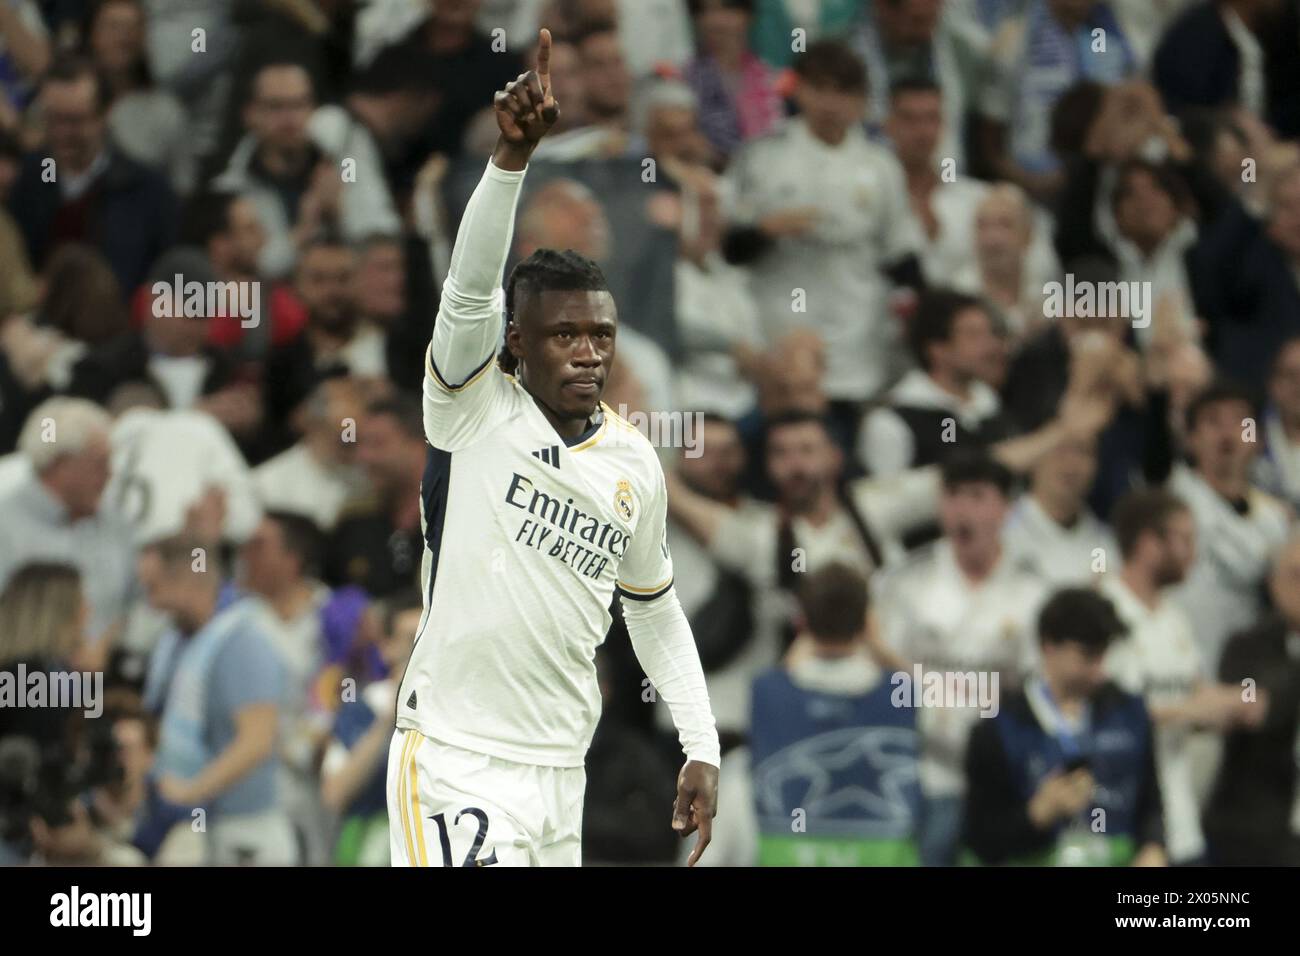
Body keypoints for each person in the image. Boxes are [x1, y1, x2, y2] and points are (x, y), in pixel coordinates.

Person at [386, 30, 719, 868]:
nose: (588, 351)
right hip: (457, 757)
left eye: (599, 334)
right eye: (563, 333)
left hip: (559, 774)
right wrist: (509, 159)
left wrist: (702, 742)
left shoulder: (634, 463)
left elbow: (653, 609)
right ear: (516, 344)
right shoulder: (471, 408)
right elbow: (466, 291)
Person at [874, 452, 1049, 865]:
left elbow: (1036, 689)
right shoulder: (907, 581)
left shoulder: (1032, 591)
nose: (962, 510)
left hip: (998, 776)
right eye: (953, 495)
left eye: (977, 496)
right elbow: (883, 673)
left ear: (1007, 509)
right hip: (920, 768)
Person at [1102, 488, 1260, 864]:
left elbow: (1194, 690)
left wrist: (1236, 701)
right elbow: (1101, 715)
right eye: (1184, 539)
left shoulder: (1175, 617)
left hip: (1181, 816)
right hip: (1125, 816)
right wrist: (1191, 711)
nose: (1193, 552)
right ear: (1148, 543)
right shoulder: (1102, 613)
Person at [963, 587, 1167, 866]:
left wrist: (1153, 848)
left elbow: (1151, 806)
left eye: (1104, 654)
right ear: (1049, 646)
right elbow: (980, 838)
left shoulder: (1130, 713)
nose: (1099, 671)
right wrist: (1037, 814)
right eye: (1087, 656)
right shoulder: (999, 729)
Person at [749, 562, 921, 865]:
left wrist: (811, 625)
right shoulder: (900, 694)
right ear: (868, 621)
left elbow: (787, 673)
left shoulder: (766, 693)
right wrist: (878, 644)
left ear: (802, 622)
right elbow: (935, 700)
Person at [137, 534, 291, 865]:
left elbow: (257, 741)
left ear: (187, 581)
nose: (150, 604)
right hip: (195, 826)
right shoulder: (177, 641)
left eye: (154, 588)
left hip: (242, 831)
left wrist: (190, 792)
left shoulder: (243, 641)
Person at [0, 398, 135, 660]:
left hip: (109, 681)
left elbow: (141, 601)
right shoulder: (4, 526)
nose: (110, 475)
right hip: (23, 686)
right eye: (100, 463)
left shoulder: (116, 524)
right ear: (62, 465)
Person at [1204, 533, 1300, 865]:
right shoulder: (1246, 648)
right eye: (1297, 575)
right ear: (1273, 583)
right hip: (1255, 828)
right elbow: (1251, 705)